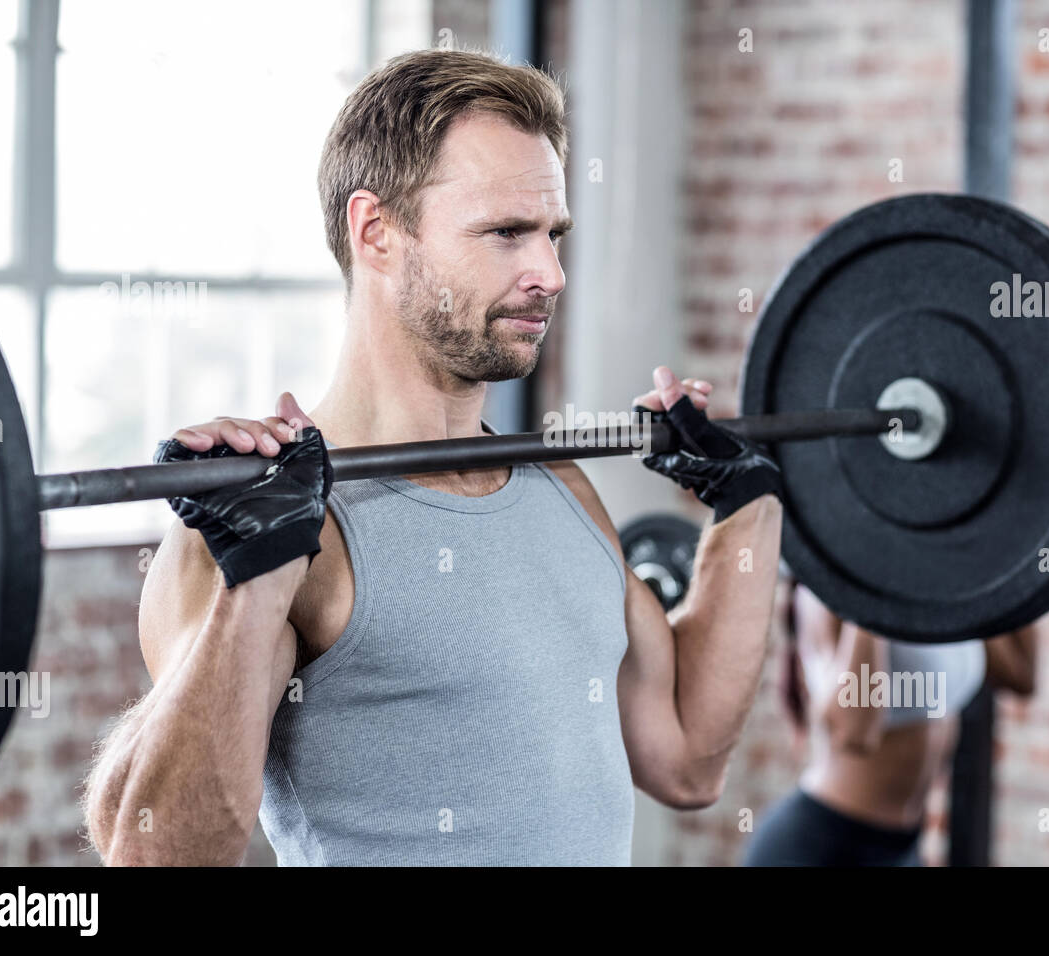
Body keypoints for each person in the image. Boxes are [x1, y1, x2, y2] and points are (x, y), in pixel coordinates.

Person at [82, 49, 785, 866]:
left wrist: (746, 505)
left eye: (553, 234)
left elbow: (687, 758)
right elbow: (156, 856)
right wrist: (257, 580)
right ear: (376, 232)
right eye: (506, 234)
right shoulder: (267, 521)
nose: (551, 274)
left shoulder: (560, 486)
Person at [743, 581, 1037, 866]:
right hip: (827, 843)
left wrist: (998, 561)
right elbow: (853, 732)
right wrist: (873, 583)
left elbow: (1020, 673)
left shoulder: (945, 586)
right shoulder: (822, 594)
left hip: (902, 845)